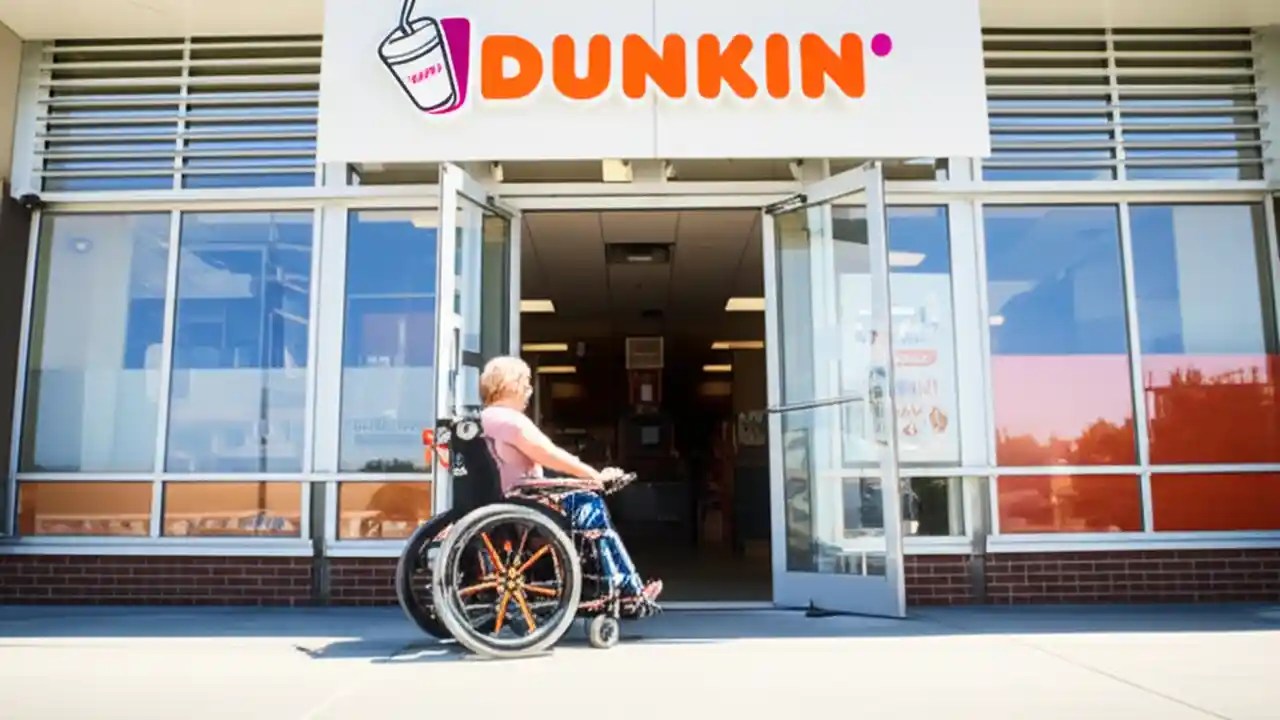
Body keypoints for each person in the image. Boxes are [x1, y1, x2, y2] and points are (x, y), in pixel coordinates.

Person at [477, 356, 662, 611]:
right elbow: (550, 455)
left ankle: (609, 583)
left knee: (584, 498)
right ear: (512, 384)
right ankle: (624, 588)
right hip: (528, 504)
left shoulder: (486, 418)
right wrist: (594, 477)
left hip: (517, 499)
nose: (530, 392)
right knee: (589, 501)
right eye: (527, 384)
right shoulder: (510, 420)